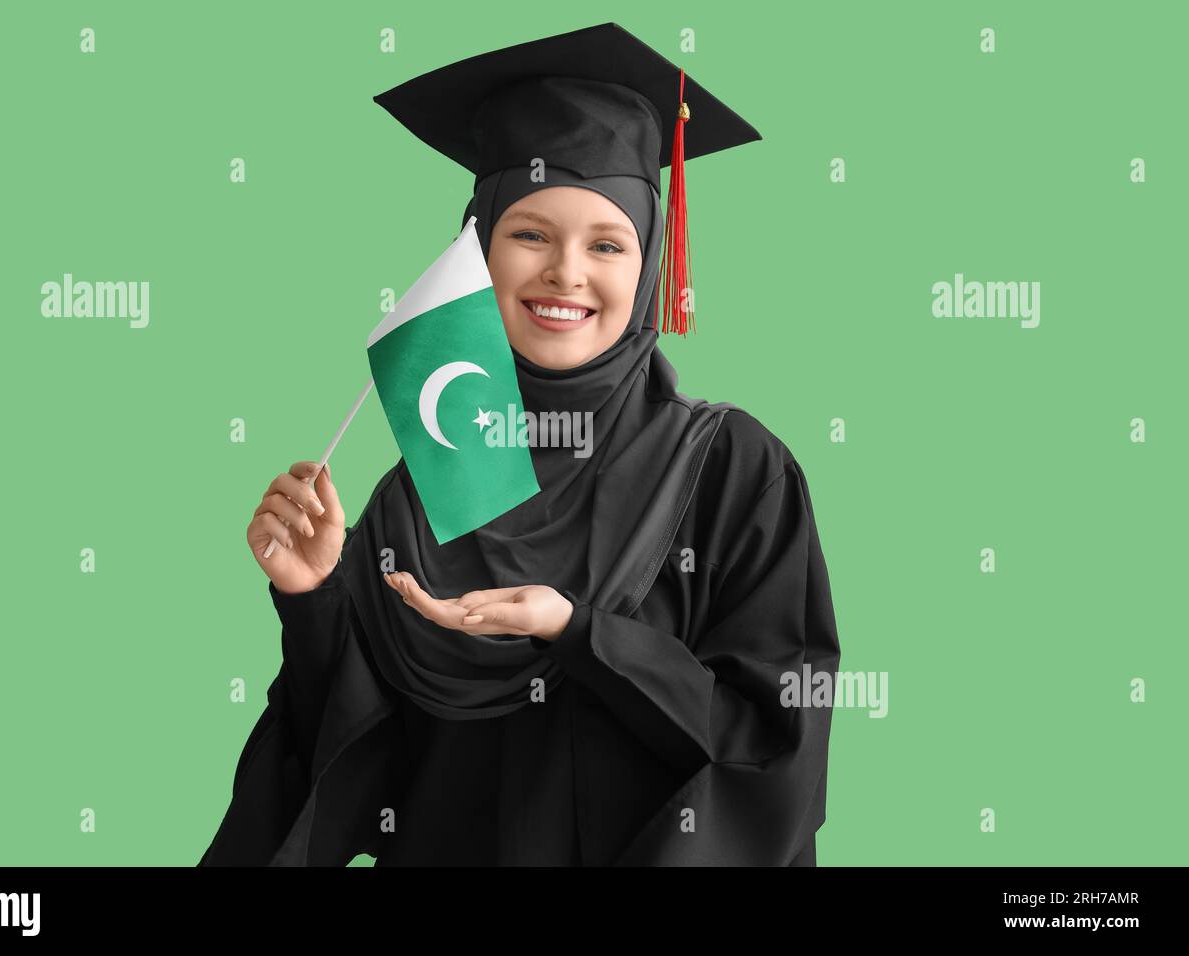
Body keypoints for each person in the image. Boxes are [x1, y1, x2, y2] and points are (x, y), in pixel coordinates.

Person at [199, 22, 841, 867]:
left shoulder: (732, 472)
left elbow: (773, 746)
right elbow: (352, 759)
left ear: (648, 266)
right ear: (478, 250)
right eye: (529, 234)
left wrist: (583, 633)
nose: (565, 273)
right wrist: (315, 598)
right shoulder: (426, 485)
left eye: (607, 244)